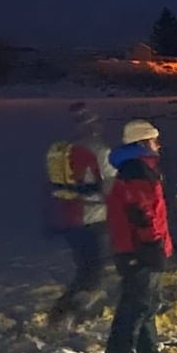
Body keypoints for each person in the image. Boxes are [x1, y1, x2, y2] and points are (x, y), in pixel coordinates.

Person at [102, 120, 172, 353]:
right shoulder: (137, 171)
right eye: (154, 139)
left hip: (140, 245)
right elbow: (142, 212)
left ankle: (147, 345)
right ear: (143, 143)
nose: (158, 144)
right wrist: (153, 242)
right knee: (136, 300)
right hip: (138, 247)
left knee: (149, 298)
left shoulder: (141, 168)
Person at [45, 102, 115, 327]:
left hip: (67, 218)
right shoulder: (100, 150)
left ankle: (68, 313)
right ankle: (66, 315)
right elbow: (110, 188)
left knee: (84, 267)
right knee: (93, 273)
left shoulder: (63, 150)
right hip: (93, 218)